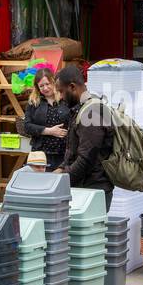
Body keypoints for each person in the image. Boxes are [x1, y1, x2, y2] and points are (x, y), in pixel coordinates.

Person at [55, 65, 114, 208]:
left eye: (62, 92)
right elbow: (73, 151)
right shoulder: (82, 108)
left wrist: (60, 181)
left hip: (93, 192)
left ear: (72, 87)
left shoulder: (92, 112)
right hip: (85, 189)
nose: (61, 97)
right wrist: (60, 169)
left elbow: (86, 159)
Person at [21, 67, 71, 171]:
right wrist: (49, 131)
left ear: (54, 82)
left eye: (47, 84)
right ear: (37, 87)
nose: (45, 88)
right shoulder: (34, 102)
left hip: (63, 153)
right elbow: (26, 126)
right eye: (41, 86)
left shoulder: (65, 100)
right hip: (40, 154)